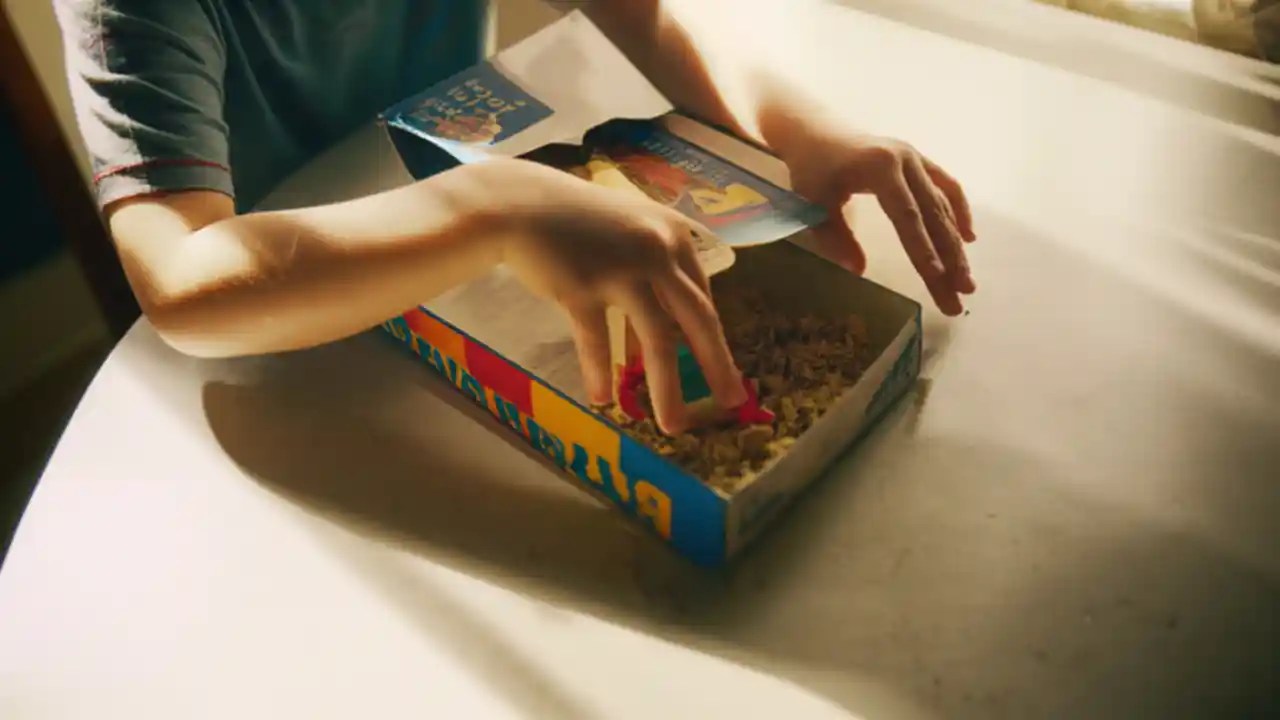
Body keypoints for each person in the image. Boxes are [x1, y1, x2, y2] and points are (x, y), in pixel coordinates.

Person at [54, 0, 977, 435]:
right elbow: (181, 283)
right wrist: (489, 204)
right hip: (304, 328)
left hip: (492, 270)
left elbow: (644, 14)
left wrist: (802, 129)